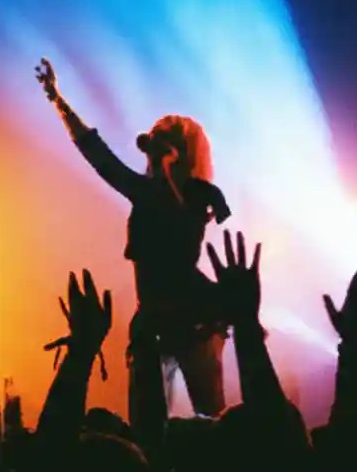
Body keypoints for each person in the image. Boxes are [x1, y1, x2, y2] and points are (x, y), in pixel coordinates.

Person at [35, 58, 232, 416]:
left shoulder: (200, 194)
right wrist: (58, 100)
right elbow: (99, 156)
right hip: (152, 322)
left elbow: (201, 211)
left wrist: (169, 167)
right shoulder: (142, 190)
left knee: (211, 416)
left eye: (166, 143)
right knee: (147, 423)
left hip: (194, 317)